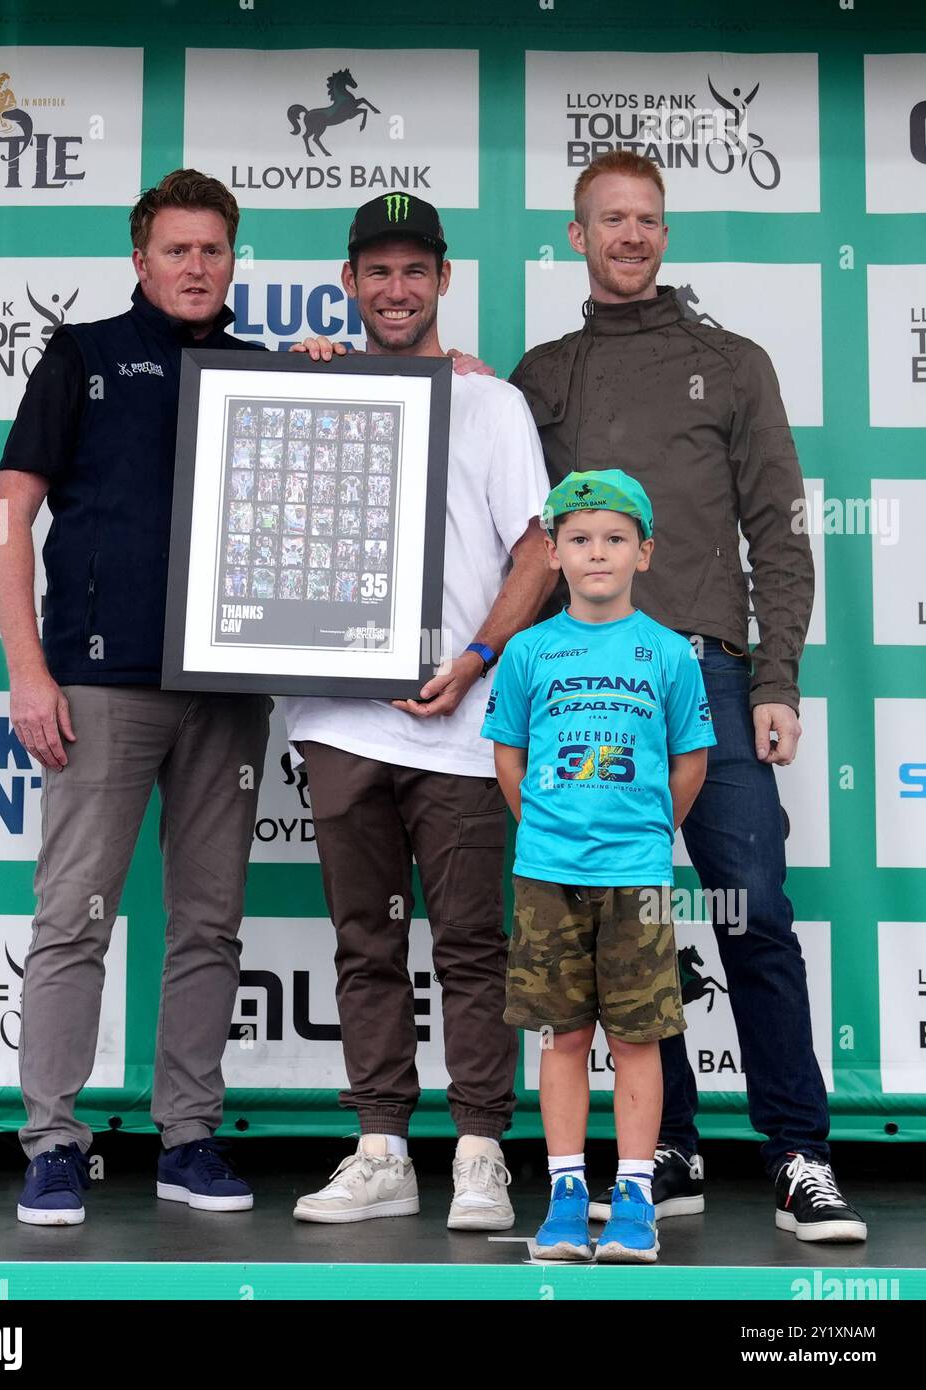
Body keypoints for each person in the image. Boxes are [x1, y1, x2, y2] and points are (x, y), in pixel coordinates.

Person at [511, 149, 866, 1241]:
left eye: (646, 220)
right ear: (576, 236)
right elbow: (490, 503)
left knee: (749, 910)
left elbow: (778, 532)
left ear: (663, 233)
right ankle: (667, 1146)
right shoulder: (541, 374)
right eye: (609, 220)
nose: (630, 236)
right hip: (583, 686)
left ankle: (798, 1154)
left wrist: (774, 677)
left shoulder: (733, 361)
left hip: (708, 672)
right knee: (630, 915)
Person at [0, 169, 272, 1225]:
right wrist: (29, 667)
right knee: (72, 919)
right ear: (140, 260)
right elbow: (9, 510)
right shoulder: (84, 355)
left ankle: (187, 1135)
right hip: (100, 683)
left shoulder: (262, 374)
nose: (196, 266)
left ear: (231, 259)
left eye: (213, 249)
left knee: (208, 922)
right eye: (176, 249)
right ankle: (54, 1141)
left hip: (229, 690)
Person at [283, 194, 554, 1228]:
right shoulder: (302, 385)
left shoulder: (488, 405)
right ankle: (381, 1147)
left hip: (461, 713)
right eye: (376, 271)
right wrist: (282, 382)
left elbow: (535, 549)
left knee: (473, 943)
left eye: (414, 270)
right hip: (341, 720)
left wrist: (478, 654)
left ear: (442, 280)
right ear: (347, 283)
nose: (395, 289)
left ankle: (480, 1150)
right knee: (365, 939)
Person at [483, 468, 715, 1262]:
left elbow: (689, 763)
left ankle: (636, 1196)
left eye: (615, 539)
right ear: (551, 552)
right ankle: (563, 1192)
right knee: (563, 1036)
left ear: (643, 553)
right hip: (547, 872)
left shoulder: (668, 654)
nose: (597, 553)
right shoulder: (528, 651)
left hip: (639, 875)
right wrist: (547, 831)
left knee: (640, 1039)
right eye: (579, 539)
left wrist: (645, 837)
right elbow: (508, 757)